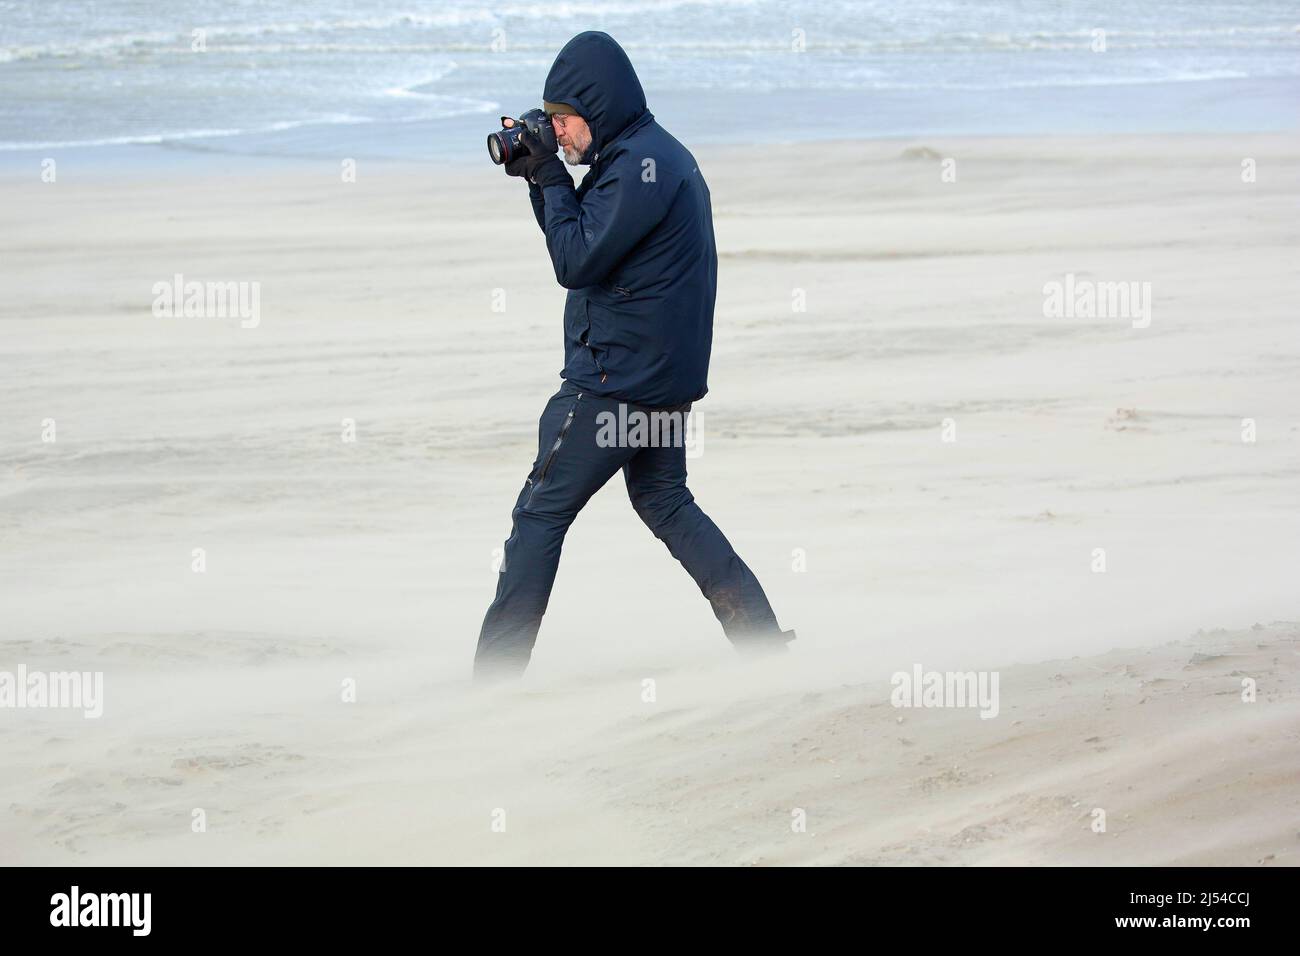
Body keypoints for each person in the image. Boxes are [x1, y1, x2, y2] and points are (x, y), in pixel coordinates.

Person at [474, 31, 794, 680]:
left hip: (615, 383)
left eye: (562, 122)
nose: (558, 135)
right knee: (667, 503)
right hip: (661, 383)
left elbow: (573, 260)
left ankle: (493, 682)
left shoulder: (637, 169)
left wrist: (547, 176)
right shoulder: (649, 157)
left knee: (539, 514)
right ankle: (763, 645)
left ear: (595, 107)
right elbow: (584, 243)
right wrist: (544, 181)